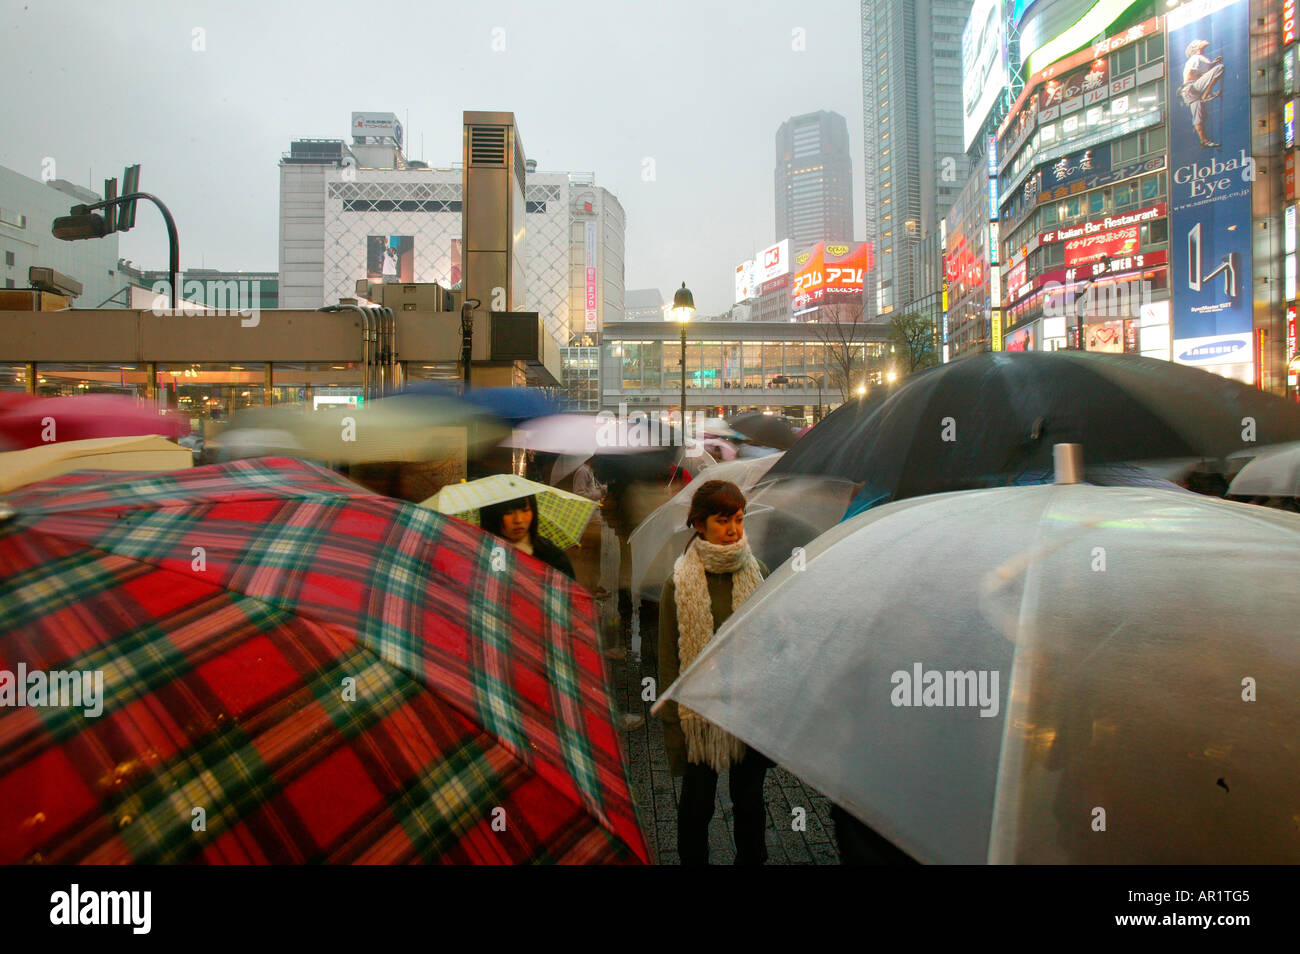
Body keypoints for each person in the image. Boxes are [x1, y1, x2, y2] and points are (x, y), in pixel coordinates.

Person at [658, 479, 772, 865]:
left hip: (749, 713)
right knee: (696, 807)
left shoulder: (758, 572)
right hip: (700, 716)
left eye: (739, 519)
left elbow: (773, 645)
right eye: (723, 520)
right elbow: (667, 662)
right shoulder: (679, 584)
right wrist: (674, 729)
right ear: (699, 524)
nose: (733, 530)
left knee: (750, 806)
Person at [479, 495, 576, 580]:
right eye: (508, 512)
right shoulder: (480, 554)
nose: (518, 520)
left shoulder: (551, 556)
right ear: (491, 516)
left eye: (525, 510)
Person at [1180, 39, 1224, 149]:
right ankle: (1206, 94)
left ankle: (1203, 141)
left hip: (1188, 91)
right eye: (1200, 41)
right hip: (1191, 88)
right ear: (1196, 47)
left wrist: (1212, 64)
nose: (1203, 41)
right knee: (1220, 68)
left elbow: (1204, 70)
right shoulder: (1196, 58)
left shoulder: (1197, 59)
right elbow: (1191, 74)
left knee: (1199, 116)